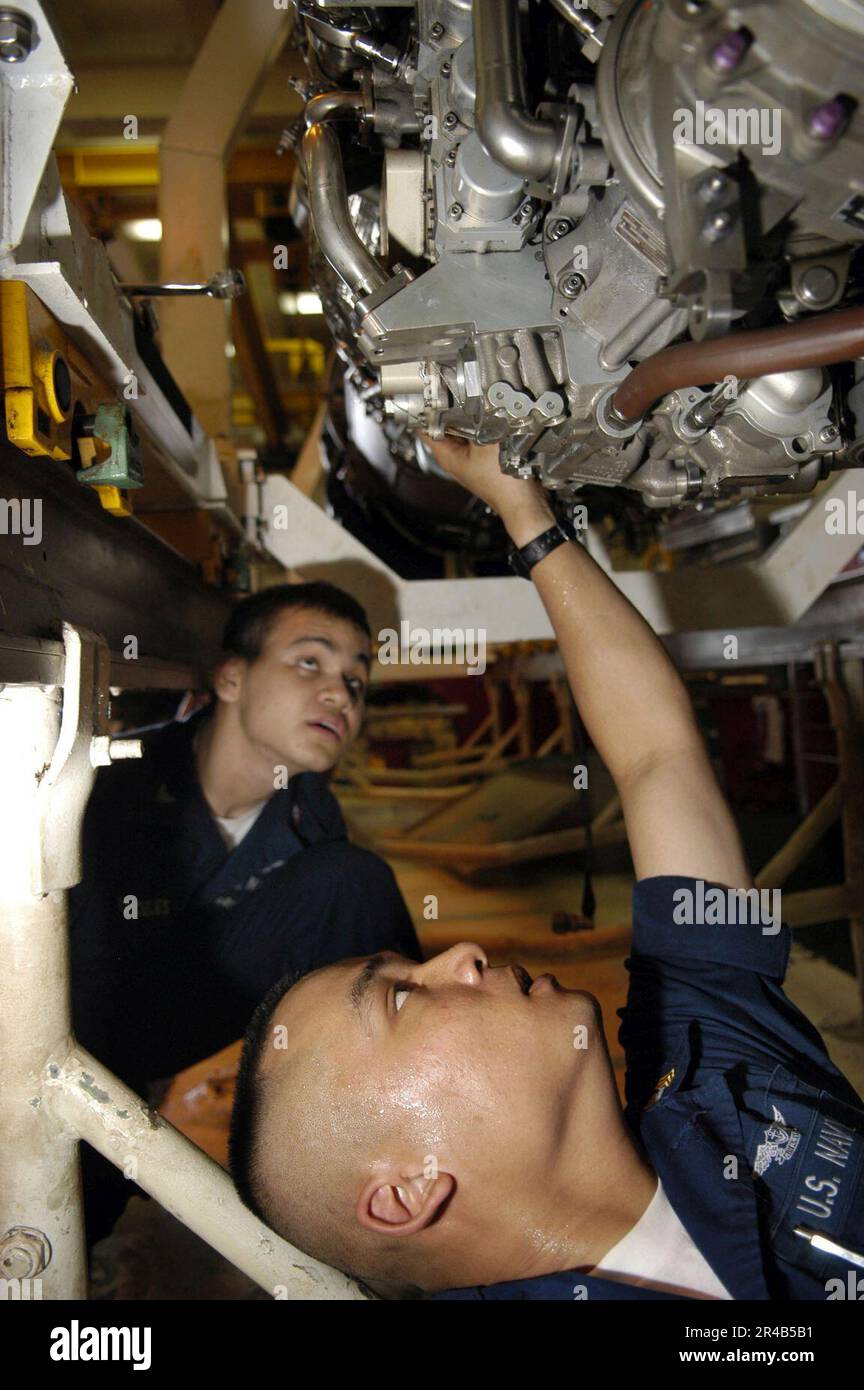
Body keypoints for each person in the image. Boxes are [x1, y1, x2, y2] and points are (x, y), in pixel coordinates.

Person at [229, 439, 864, 1301]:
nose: (461, 955)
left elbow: (656, 755)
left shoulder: (707, 1049)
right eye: (403, 995)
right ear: (406, 1192)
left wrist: (524, 512)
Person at [71, 580, 421, 1242]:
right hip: (75, 1026)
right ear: (231, 679)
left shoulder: (311, 817)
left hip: (184, 1010)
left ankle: (410, 1152)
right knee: (68, 1205)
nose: (339, 694)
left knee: (352, 882)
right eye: (310, 662)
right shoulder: (118, 787)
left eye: (357, 679)